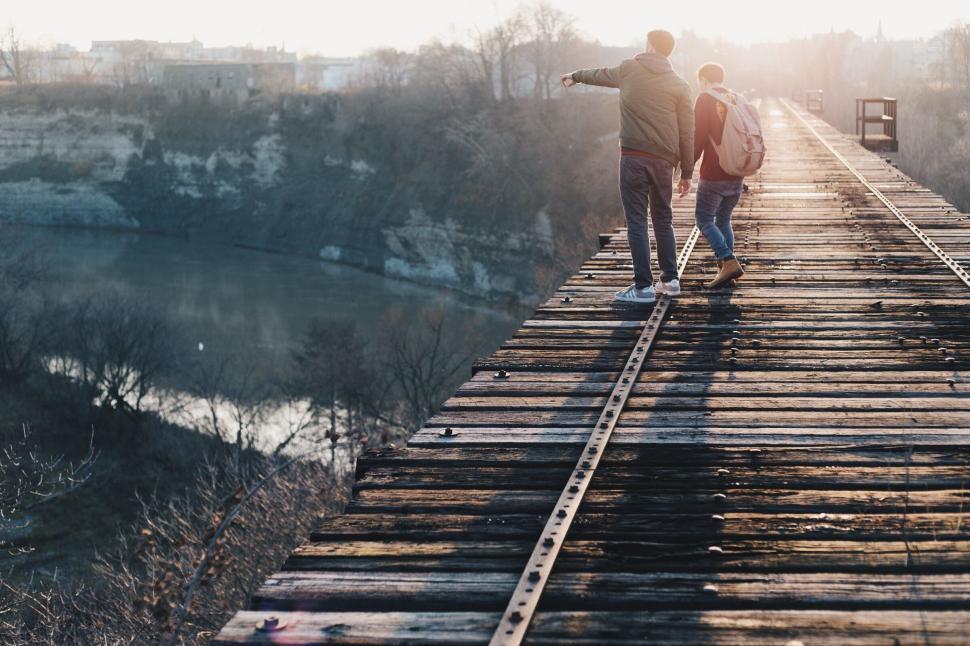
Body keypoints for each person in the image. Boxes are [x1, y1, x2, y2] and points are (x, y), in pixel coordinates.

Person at [561, 29, 694, 304]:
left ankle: (643, 288)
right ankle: (670, 280)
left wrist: (575, 75)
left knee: (637, 220)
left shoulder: (630, 69)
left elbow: (599, 74)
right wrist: (688, 172)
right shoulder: (680, 84)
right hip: (665, 161)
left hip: (634, 158)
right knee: (663, 219)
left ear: (650, 45)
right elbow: (687, 131)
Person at [692, 62, 745, 288]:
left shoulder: (705, 99)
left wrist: (687, 167)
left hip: (714, 173)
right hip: (737, 172)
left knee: (703, 219)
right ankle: (726, 271)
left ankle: (727, 259)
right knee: (723, 220)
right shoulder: (735, 98)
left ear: (704, 79)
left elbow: (699, 137)